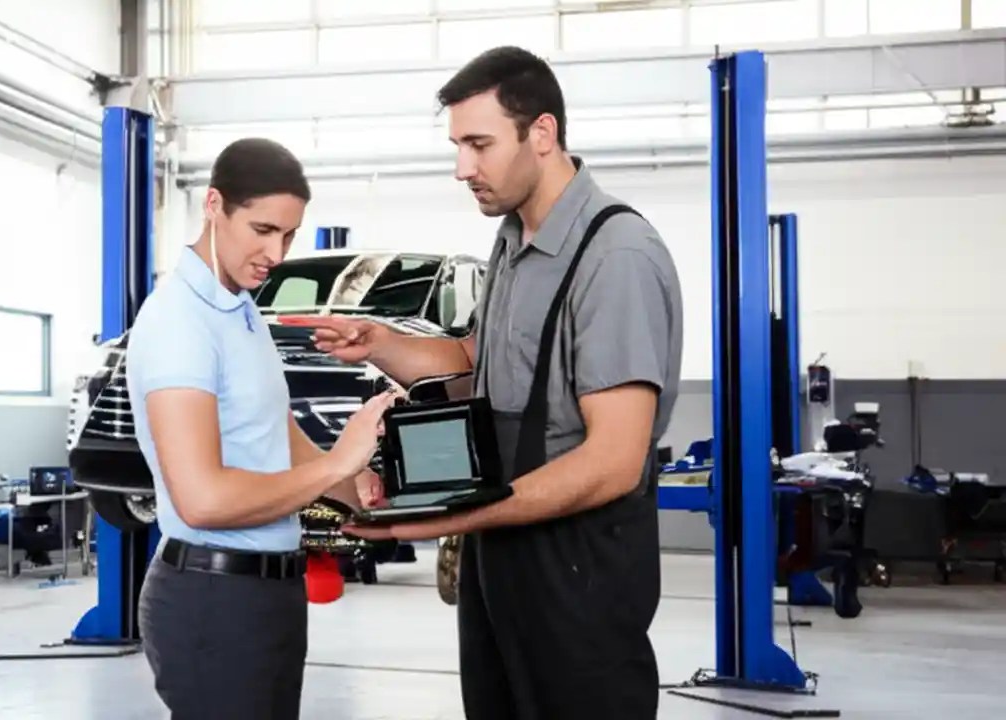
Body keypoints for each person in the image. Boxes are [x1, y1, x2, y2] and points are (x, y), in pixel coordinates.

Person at [312, 46, 684, 720]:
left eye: (479, 145)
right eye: (458, 146)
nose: (463, 168)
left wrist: (456, 516)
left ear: (541, 133)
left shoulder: (616, 255)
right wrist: (382, 344)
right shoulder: (513, 243)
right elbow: (477, 364)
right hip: (502, 555)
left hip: (579, 573)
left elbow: (614, 461)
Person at [125, 137, 396, 720]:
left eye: (289, 235)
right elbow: (202, 500)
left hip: (268, 593)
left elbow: (279, 436)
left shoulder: (240, 307)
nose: (276, 253)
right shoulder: (179, 321)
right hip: (214, 600)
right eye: (262, 230)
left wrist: (359, 488)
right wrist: (337, 461)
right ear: (214, 206)